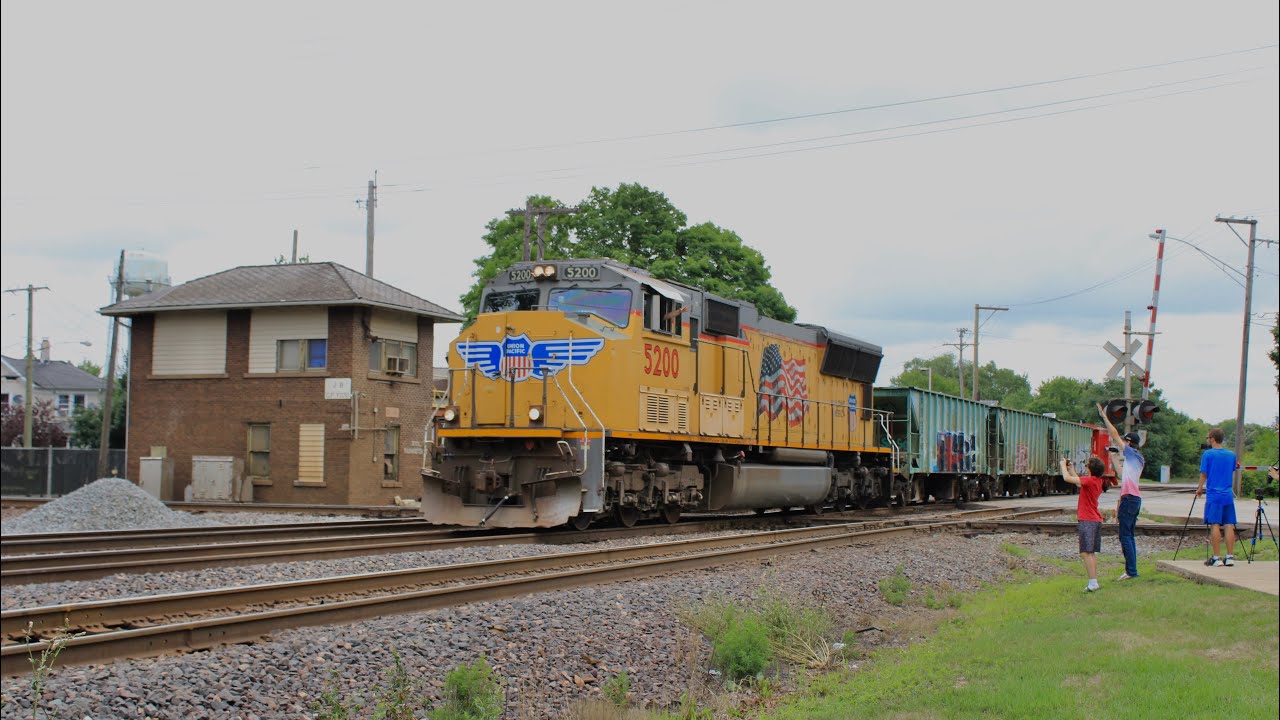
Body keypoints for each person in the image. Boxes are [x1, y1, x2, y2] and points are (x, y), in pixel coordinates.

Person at [1096, 403, 1145, 580]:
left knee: (1125, 536)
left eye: (1125, 441)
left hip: (1130, 500)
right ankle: (1131, 570)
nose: (1122, 443)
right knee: (1129, 536)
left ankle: (1131, 572)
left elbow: (1114, 434)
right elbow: (1119, 472)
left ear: (1130, 443)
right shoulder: (1137, 458)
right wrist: (1113, 456)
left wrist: (1104, 417)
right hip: (1133, 499)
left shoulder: (1132, 453)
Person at [1061, 456, 1107, 591]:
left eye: (1087, 466)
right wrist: (1072, 470)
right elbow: (1079, 483)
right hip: (1095, 519)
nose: (1086, 467)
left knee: (1085, 552)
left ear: (1091, 469)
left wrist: (1063, 466)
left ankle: (1093, 582)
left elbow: (1067, 479)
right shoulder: (1097, 481)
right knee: (1091, 552)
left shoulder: (1090, 480)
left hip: (1088, 520)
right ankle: (1094, 581)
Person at [1196, 427, 1237, 567]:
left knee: (1214, 524)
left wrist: (1200, 488)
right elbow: (1232, 470)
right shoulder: (1231, 455)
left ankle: (1217, 557)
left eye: (1208, 438)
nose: (1208, 440)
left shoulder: (1208, 454)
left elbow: (1203, 474)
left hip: (1214, 494)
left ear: (1212, 439)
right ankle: (1230, 556)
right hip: (1227, 494)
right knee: (1229, 524)